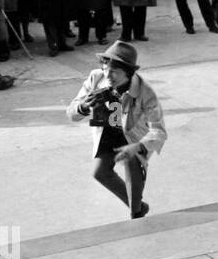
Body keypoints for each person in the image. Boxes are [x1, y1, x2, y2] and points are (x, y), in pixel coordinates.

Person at [66, 41, 166, 219]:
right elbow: (71, 113)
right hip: (108, 132)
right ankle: (138, 207)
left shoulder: (145, 91)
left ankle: (136, 210)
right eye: (105, 69)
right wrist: (82, 107)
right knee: (100, 173)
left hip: (133, 138)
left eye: (114, 72)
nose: (108, 75)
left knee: (133, 177)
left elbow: (159, 131)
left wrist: (138, 147)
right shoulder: (96, 78)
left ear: (128, 72)